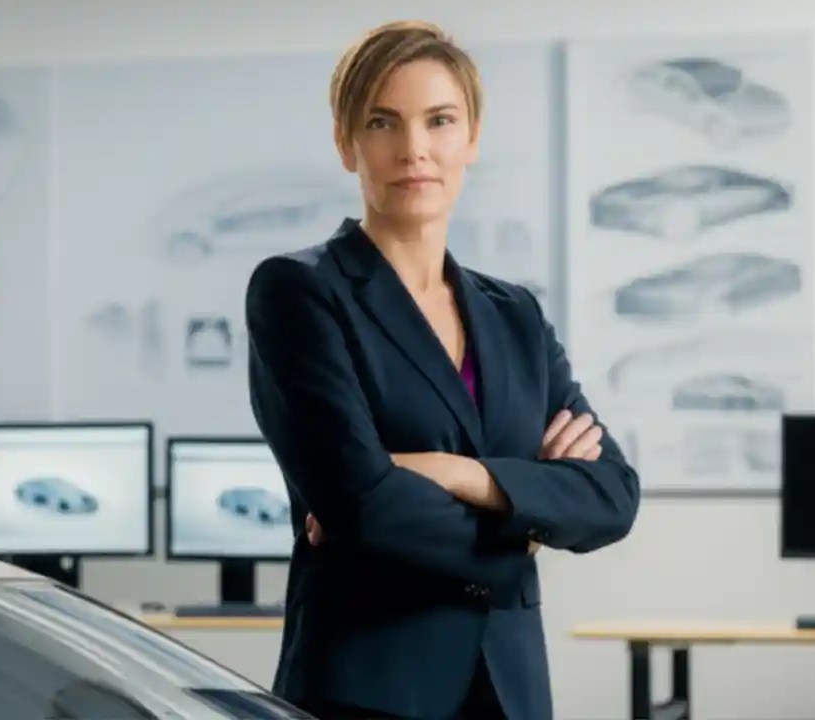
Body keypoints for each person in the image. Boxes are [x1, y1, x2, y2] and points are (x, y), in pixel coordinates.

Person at [244, 20, 641, 720]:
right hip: (368, 691)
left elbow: (611, 495)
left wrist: (459, 473)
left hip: (510, 693)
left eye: (439, 121)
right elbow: (365, 506)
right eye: (383, 122)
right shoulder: (300, 292)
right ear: (347, 143)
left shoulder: (513, 315)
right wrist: (529, 520)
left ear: (472, 138)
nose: (414, 149)